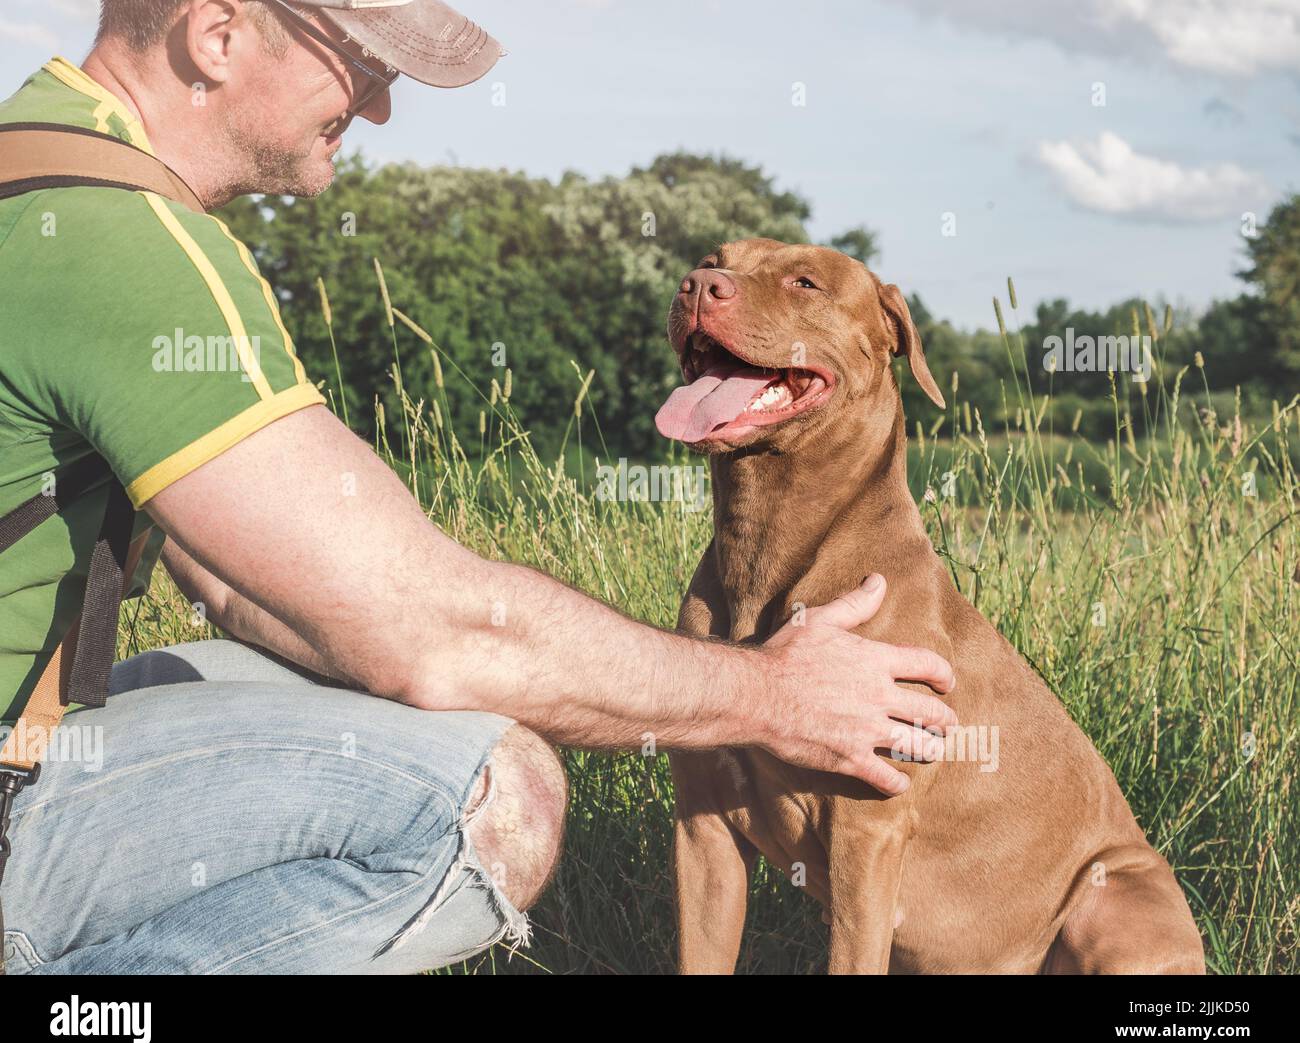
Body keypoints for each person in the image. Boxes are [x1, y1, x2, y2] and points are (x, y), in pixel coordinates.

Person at [0, 0, 956, 975]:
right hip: (10, 792)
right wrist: (769, 693)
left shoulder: (36, 169)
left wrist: (424, 665)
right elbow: (439, 630)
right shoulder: (124, 245)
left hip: (34, 736)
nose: (377, 106)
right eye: (364, 61)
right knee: (497, 788)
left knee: (389, 700)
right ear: (217, 34)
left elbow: (244, 586)